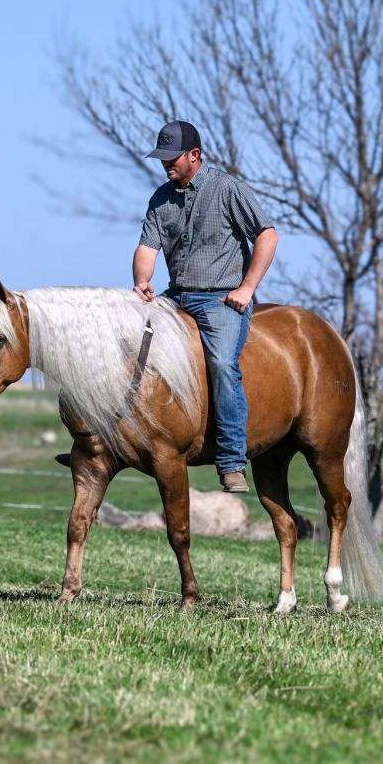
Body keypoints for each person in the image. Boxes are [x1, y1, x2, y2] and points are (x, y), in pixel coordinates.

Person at [133, 120, 278, 493]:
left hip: (221, 299)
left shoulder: (226, 189)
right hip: (175, 295)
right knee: (129, 342)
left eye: (172, 157)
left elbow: (267, 234)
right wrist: (142, 280)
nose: (165, 164)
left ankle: (231, 462)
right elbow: (147, 247)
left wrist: (247, 288)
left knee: (222, 364)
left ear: (194, 155)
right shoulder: (161, 198)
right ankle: (110, 440)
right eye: (162, 158)